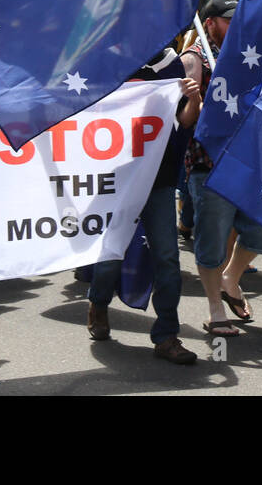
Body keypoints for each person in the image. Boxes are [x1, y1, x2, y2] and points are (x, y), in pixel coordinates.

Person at [84, 44, 199, 365]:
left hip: (158, 180)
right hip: (115, 180)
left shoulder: (169, 65)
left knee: (168, 258)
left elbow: (185, 121)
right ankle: (98, 302)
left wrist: (194, 98)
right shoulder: (107, 59)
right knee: (110, 255)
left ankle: (166, 335)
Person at [182, 0, 262, 338]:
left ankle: (230, 279)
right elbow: (186, 121)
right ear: (209, 24)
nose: (237, 26)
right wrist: (196, 99)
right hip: (211, 166)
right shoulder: (194, 58)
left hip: (250, 163)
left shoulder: (249, 57)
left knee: (260, 233)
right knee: (211, 242)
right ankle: (215, 309)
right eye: (228, 20)